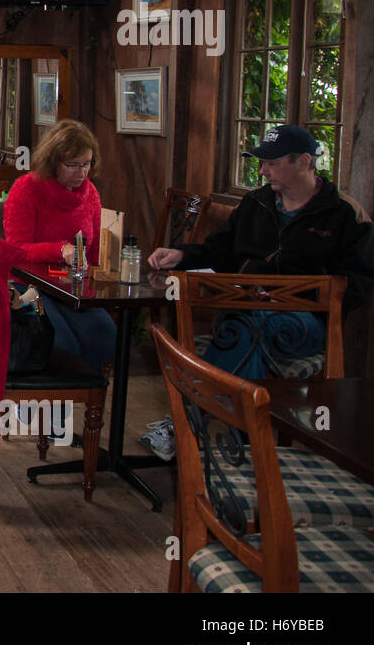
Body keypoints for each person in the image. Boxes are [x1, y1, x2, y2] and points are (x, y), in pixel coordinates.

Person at [143, 124, 374, 458]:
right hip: (243, 314)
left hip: (306, 325)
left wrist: (293, 298)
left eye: (272, 163)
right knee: (246, 329)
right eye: (261, 163)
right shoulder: (257, 202)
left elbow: (357, 285)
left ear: (304, 162)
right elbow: (219, 250)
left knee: (246, 328)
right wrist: (181, 255)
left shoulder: (344, 214)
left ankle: (186, 423)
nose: (263, 170)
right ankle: (247, 449)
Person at [3, 120, 117, 371]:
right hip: (30, 284)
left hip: (72, 287)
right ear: (53, 161)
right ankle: (53, 398)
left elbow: (96, 248)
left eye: (86, 164)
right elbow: (16, 249)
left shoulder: (91, 194)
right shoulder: (27, 189)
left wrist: (99, 277)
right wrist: (60, 250)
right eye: (72, 165)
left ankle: (81, 388)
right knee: (60, 342)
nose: (81, 173)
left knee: (104, 335)